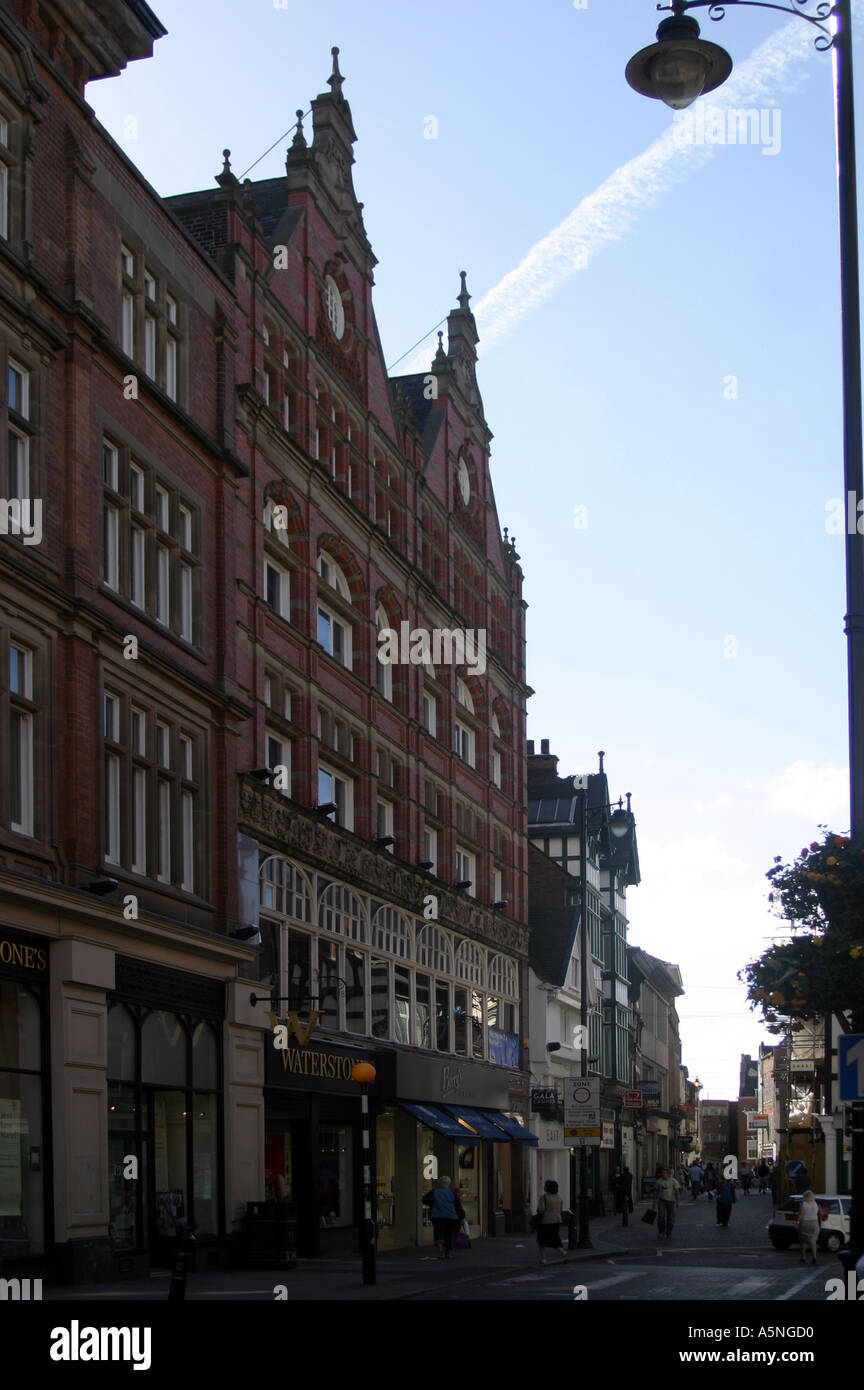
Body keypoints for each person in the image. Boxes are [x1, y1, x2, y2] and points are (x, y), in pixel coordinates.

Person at [422, 1176, 464, 1259]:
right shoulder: (452, 1193)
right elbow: (458, 1206)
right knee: (449, 1234)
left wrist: (433, 1204)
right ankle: (447, 1252)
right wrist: (462, 1216)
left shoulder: (434, 1192)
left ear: (439, 1183)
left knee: (439, 1233)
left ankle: (441, 1251)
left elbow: (424, 1200)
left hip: (437, 1216)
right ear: (449, 1183)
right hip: (451, 1216)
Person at [535, 1179, 568, 1264]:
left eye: (545, 1185)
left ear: (547, 1188)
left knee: (541, 1240)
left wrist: (538, 1210)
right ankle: (562, 1251)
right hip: (557, 1220)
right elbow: (560, 1210)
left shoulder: (544, 1197)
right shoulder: (559, 1198)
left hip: (545, 1221)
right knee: (554, 1238)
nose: (544, 1187)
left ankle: (543, 1259)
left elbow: (541, 1209)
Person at [653, 1166, 680, 1240]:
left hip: (671, 1201)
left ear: (668, 1174)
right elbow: (656, 1192)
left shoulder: (673, 1181)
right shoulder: (659, 1181)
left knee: (670, 1217)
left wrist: (678, 1202)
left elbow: (677, 1192)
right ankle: (661, 1232)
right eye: (662, 1173)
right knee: (661, 1216)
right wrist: (654, 1202)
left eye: (664, 1173)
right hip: (662, 1200)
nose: (663, 1174)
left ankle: (669, 1233)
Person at [796, 1190, 820, 1266]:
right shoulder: (816, 1203)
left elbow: (801, 1214)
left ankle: (803, 1257)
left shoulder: (803, 1204)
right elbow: (820, 1212)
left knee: (803, 1241)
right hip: (814, 1223)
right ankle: (814, 1257)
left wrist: (797, 1222)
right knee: (813, 1241)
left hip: (805, 1223)